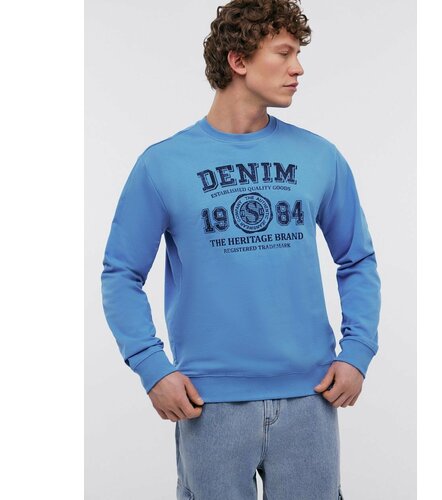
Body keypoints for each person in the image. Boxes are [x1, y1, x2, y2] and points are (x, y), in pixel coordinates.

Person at [100, 0, 381, 498]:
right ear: (239, 61)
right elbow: (121, 273)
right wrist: (151, 367)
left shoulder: (320, 157)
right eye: (284, 53)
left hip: (310, 397)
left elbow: (356, 259)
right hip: (207, 402)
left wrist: (357, 351)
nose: (298, 68)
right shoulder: (163, 164)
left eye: (297, 55)